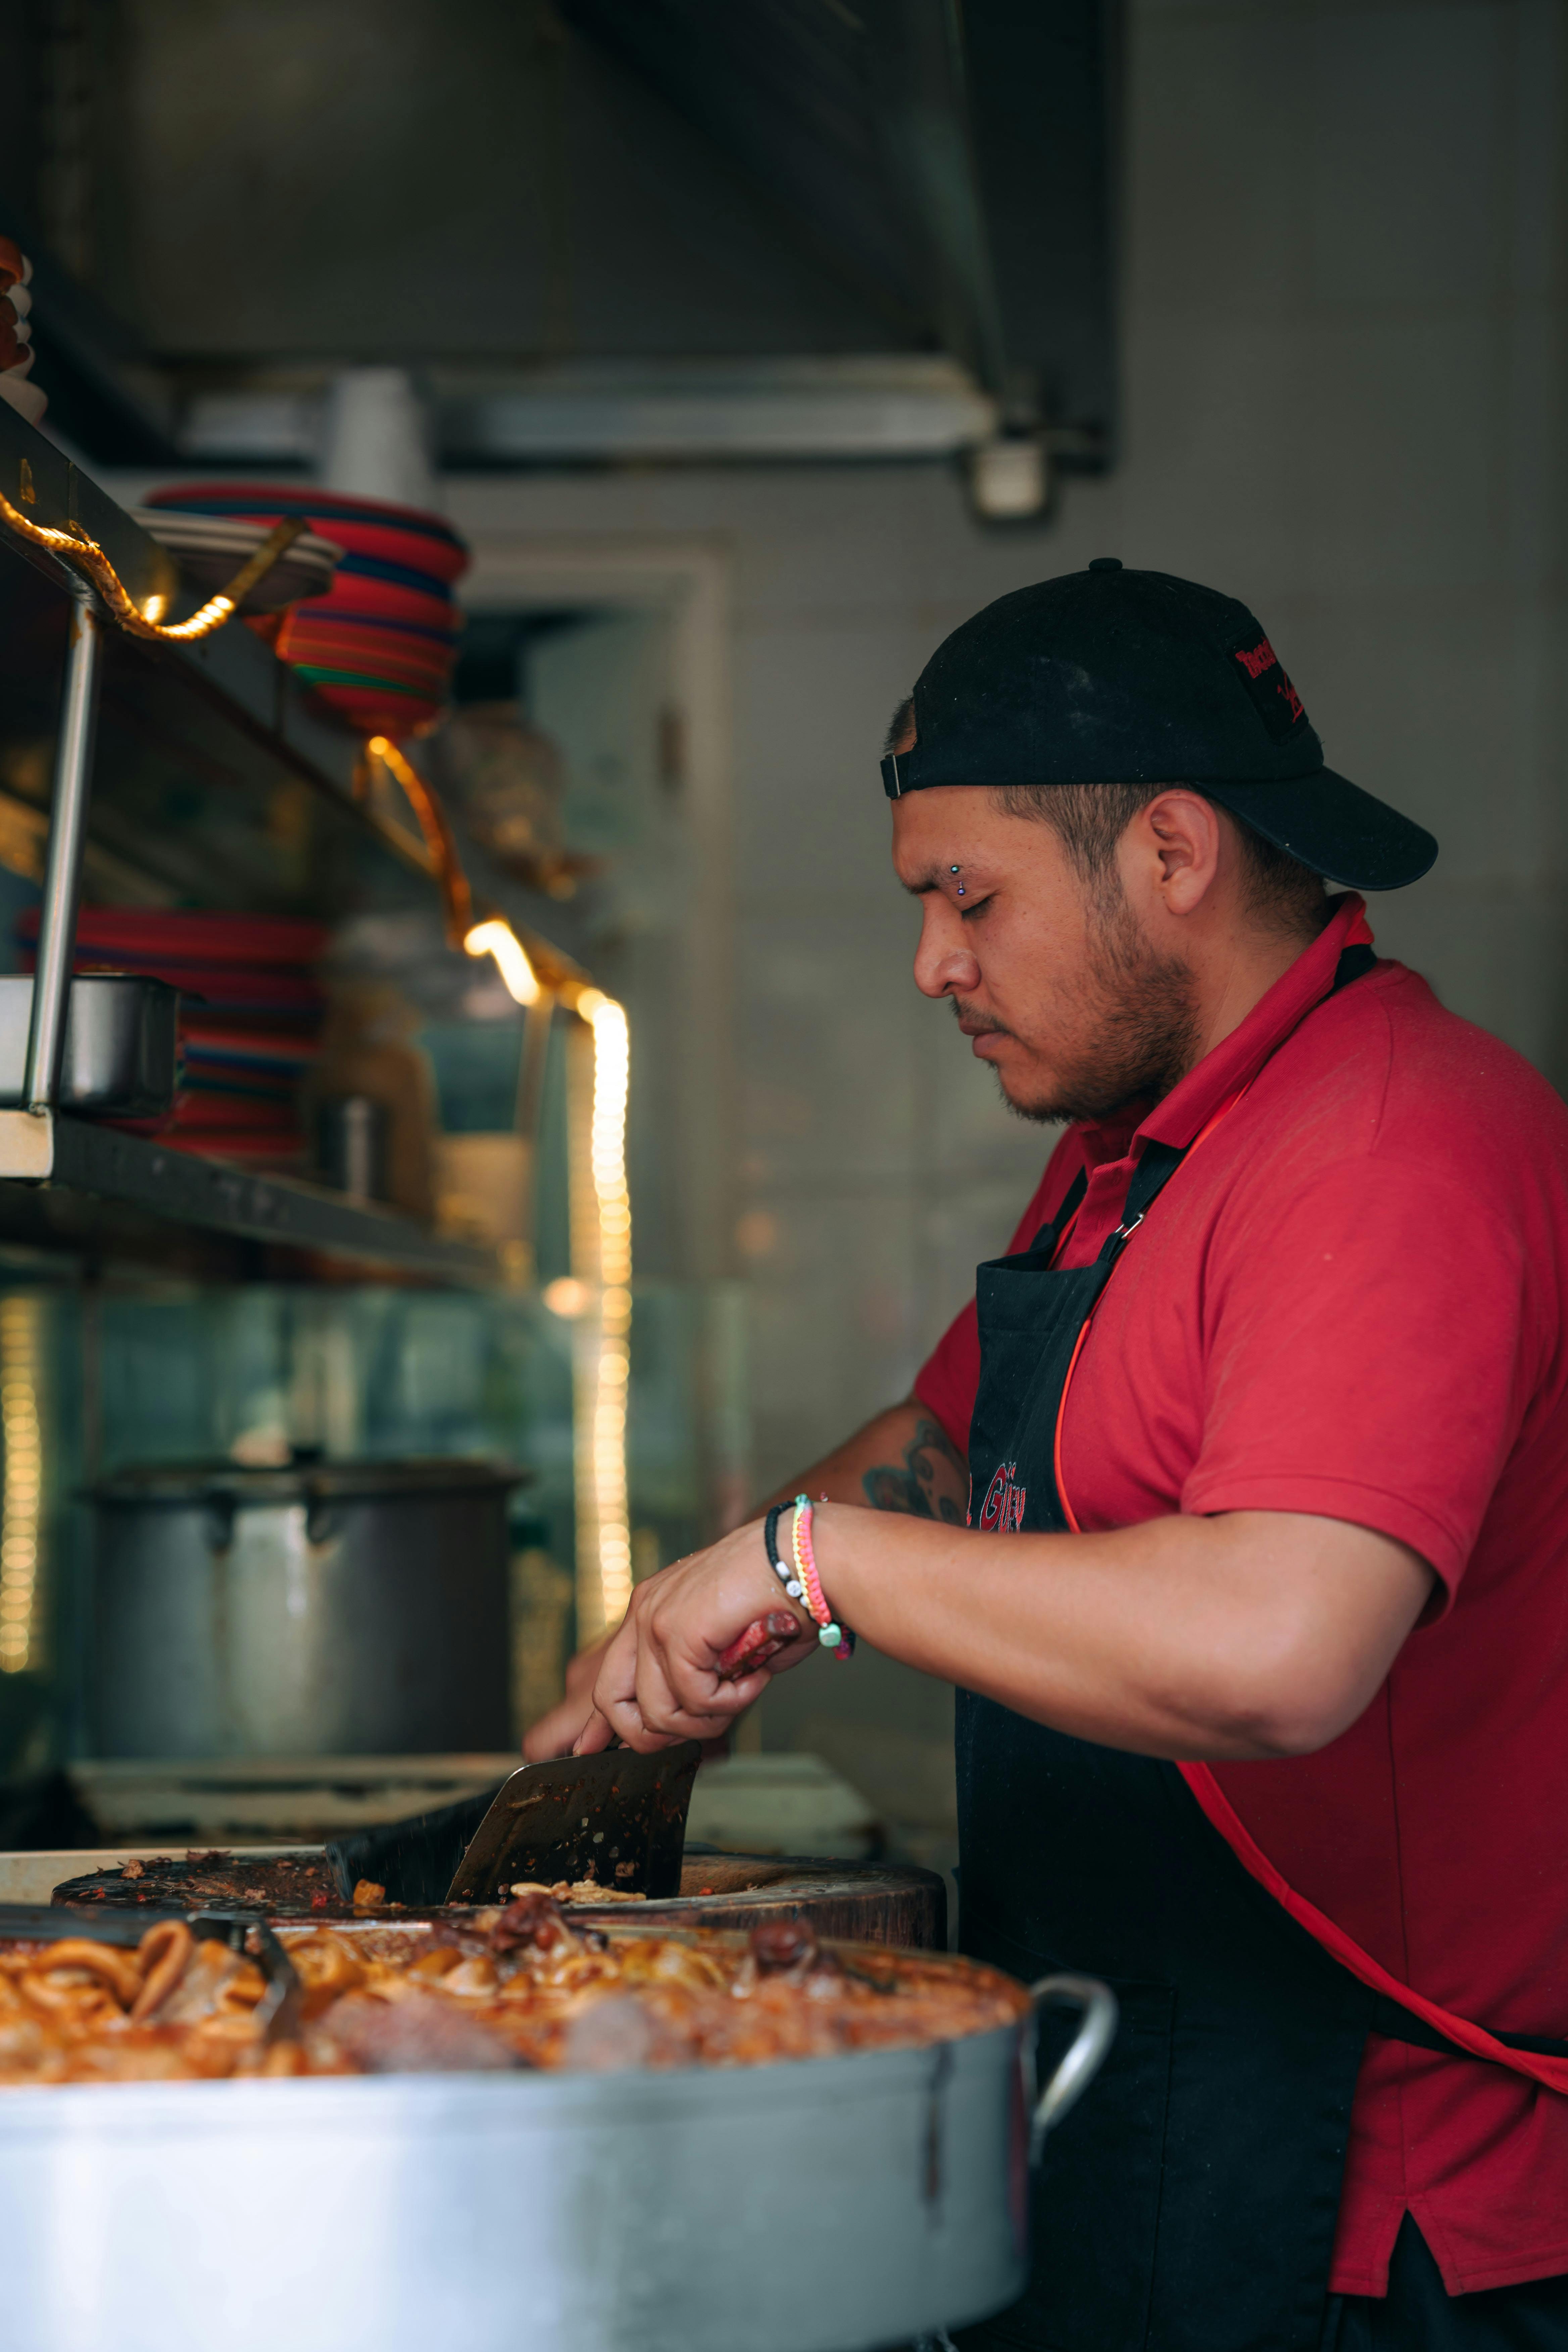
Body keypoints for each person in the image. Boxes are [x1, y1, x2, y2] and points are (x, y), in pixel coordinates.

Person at [528, 561, 1568, 2351]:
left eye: (969, 899)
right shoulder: (1141, 1153)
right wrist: (683, 1633)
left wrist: (809, 1565)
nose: (934, 963)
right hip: (1160, 2100)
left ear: (1171, 853)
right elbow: (950, 1442)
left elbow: (1281, 1644)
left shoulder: (1390, 1145)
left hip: (1373, 2208)